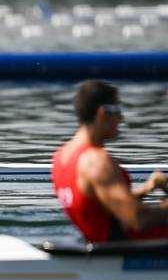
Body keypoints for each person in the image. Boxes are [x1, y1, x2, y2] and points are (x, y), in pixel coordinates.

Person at [51, 79, 168, 242]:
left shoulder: (61, 156)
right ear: (102, 114)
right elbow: (138, 219)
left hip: (99, 244)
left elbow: (101, 206)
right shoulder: (97, 162)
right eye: (118, 110)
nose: (121, 118)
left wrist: (146, 189)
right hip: (128, 250)